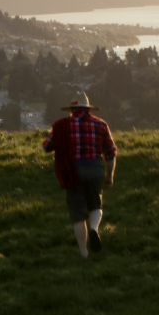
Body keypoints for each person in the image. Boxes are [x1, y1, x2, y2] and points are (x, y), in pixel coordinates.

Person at [42, 92, 118, 258]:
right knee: (96, 204)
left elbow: (46, 147)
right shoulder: (101, 124)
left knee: (77, 213)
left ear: (72, 109)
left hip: (73, 170)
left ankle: (84, 253)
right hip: (95, 168)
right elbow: (111, 153)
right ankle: (94, 228)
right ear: (87, 108)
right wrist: (109, 176)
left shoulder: (61, 125)